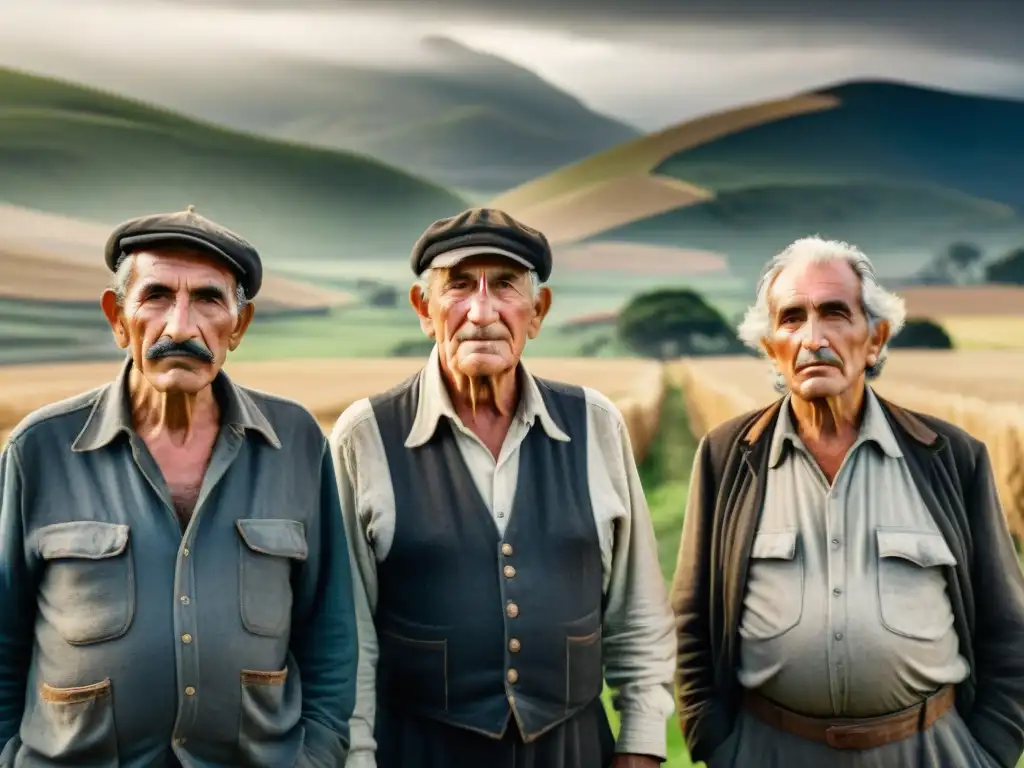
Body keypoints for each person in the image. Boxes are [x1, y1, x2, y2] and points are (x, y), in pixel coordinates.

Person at [0, 206, 358, 767]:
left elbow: (330, 640)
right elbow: (3, 642)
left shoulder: (297, 446)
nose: (181, 327)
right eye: (157, 296)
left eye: (209, 300)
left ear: (238, 326)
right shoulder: (39, 451)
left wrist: (315, 757)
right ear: (118, 317)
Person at [330, 207, 676, 768]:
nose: (482, 311)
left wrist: (639, 744)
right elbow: (348, 637)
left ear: (536, 312)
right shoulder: (365, 436)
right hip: (419, 752)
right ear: (425, 309)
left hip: (573, 750)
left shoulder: (596, 425)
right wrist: (358, 757)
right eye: (460, 286)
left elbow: (637, 611)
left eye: (506, 287)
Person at [670, 236, 1024, 768]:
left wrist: (991, 749)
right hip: (768, 751)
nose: (813, 339)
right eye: (791, 319)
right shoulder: (727, 457)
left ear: (875, 338)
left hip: (929, 751)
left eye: (835, 313)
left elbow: (1007, 626)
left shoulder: (950, 458)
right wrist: (717, 744)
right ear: (771, 348)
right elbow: (690, 621)